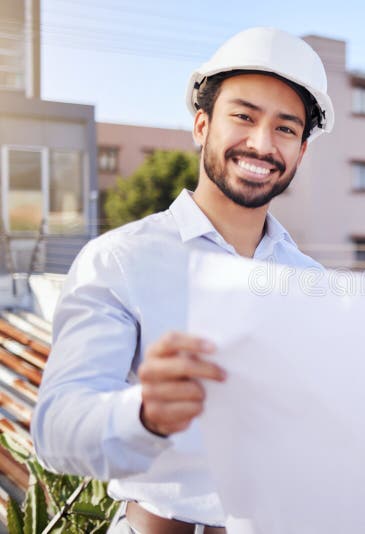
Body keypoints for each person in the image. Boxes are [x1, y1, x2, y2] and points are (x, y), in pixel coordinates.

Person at [31, 27, 334, 533]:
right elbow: (55, 432)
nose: (261, 144)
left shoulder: (313, 283)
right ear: (201, 125)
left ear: (301, 152)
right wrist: (144, 414)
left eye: (285, 129)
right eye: (243, 117)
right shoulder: (120, 260)